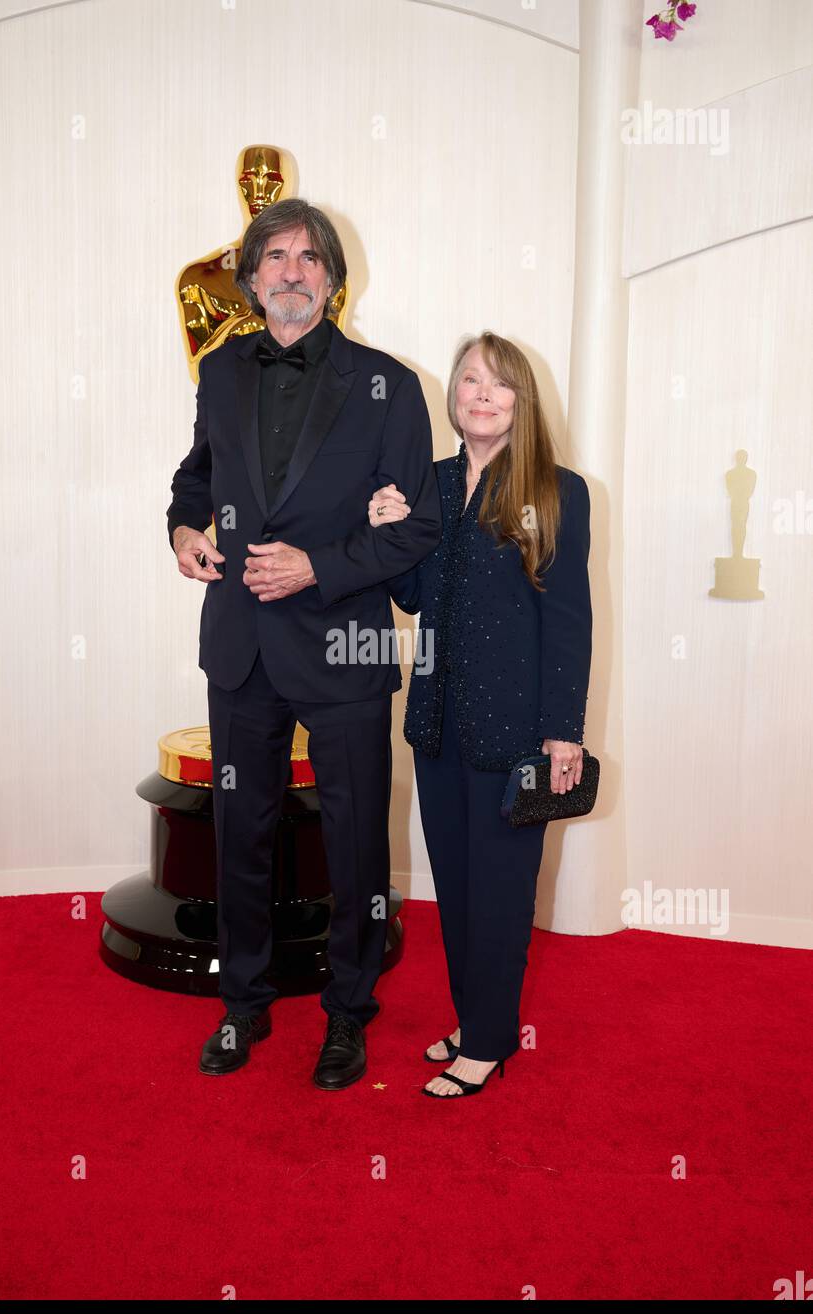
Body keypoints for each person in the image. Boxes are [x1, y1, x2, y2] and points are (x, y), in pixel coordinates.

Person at [167, 198, 441, 1090]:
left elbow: (413, 531)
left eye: (308, 257)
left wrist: (315, 567)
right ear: (252, 279)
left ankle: (348, 1014)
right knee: (240, 831)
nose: (291, 270)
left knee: (357, 840)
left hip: (346, 649)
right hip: (240, 647)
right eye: (274, 256)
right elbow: (194, 476)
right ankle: (242, 1005)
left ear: (331, 277)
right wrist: (181, 529)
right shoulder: (219, 374)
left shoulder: (388, 385)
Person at [370, 332, 592, 1098]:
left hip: (517, 733)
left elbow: (567, 619)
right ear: (454, 398)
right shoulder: (429, 484)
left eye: (498, 384)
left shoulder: (557, 489)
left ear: (520, 400)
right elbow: (410, 598)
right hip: (436, 725)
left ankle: (491, 1041)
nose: (482, 394)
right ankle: (475, 1017)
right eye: (469, 381)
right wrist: (388, 528)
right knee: (458, 888)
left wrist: (565, 730)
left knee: (500, 893)